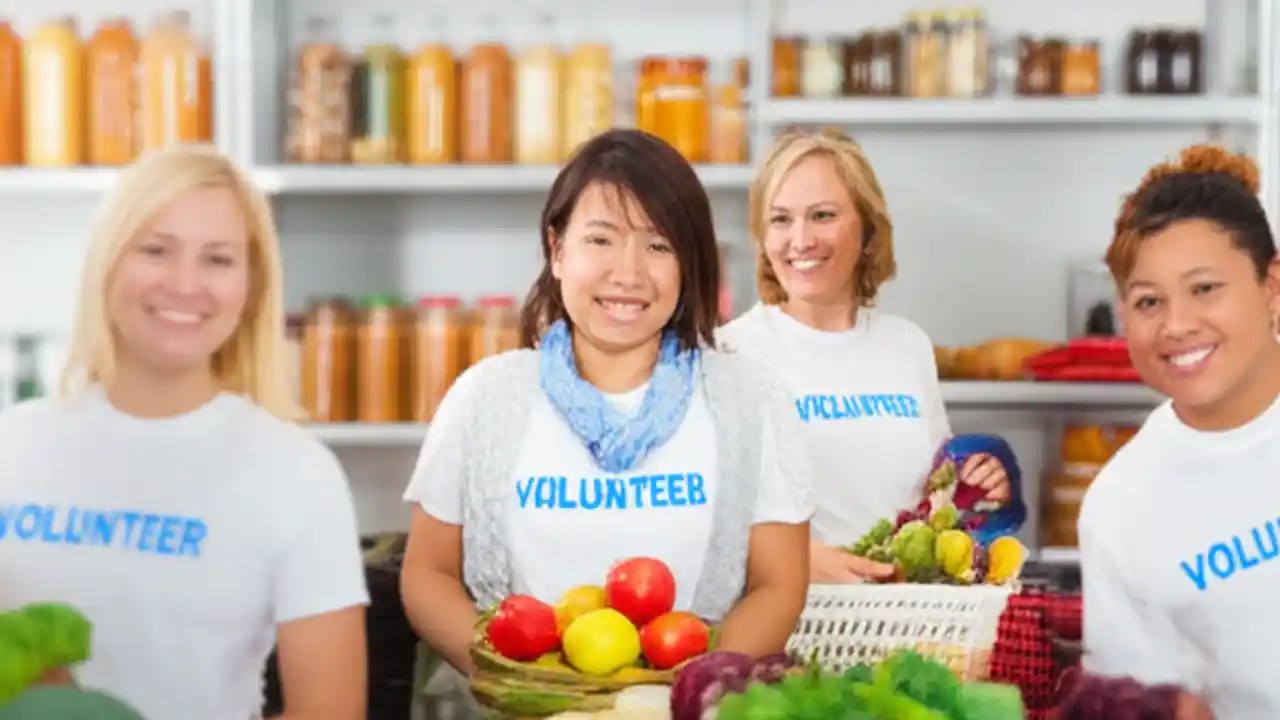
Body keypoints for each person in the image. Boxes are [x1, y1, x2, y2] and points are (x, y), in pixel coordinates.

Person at [400, 129, 814, 677]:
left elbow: (779, 584)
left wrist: (693, 689)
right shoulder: (485, 399)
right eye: (601, 239)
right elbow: (427, 575)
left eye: (659, 245)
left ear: (689, 267)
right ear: (557, 250)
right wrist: (517, 680)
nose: (628, 273)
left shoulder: (750, 399)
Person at [0, 145, 369, 720]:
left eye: (217, 260)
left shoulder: (298, 473)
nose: (184, 283)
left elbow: (329, 713)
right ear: (108, 261)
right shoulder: (12, 445)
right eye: (155, 250)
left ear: (250, 287)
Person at [717, 129, 1022, 584]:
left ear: (867, 227)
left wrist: (980, 482)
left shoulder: (907, 346)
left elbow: (937, 496)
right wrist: (795, 558)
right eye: (780, 220)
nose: (800, 240)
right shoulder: (733, 351)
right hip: (791, 622)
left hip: (908, 617)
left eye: (822, 215)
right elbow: (703, 517)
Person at [1077, 144, 1280, 719]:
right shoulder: (1120, 508)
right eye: (1148, 301)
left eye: (1205, 288)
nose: (1178, 325)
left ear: (1272, 286)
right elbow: (1143, 706)